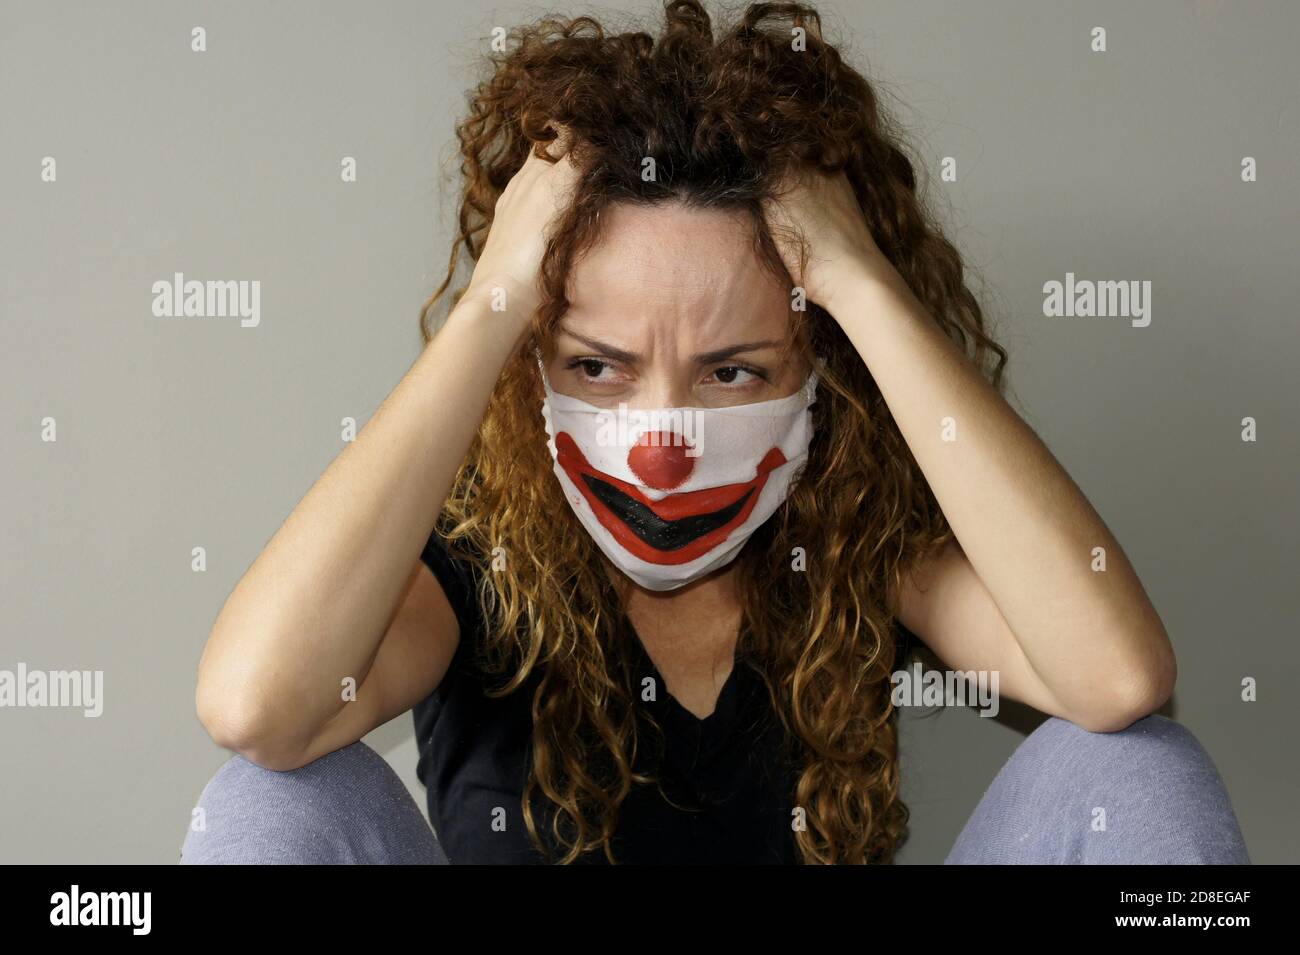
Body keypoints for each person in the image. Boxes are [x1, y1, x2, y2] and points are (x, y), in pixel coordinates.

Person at [183, 0, 1249, 865]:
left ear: (815, 370)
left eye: (732, 369)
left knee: (1138, 770)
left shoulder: (854, 540)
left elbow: (1114, 680)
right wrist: (496, 300)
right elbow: (256, 708)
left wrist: (857, 284)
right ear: (533, 368)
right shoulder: (478, 565)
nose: (662, 443)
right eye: (597, 365)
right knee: (271, 799)